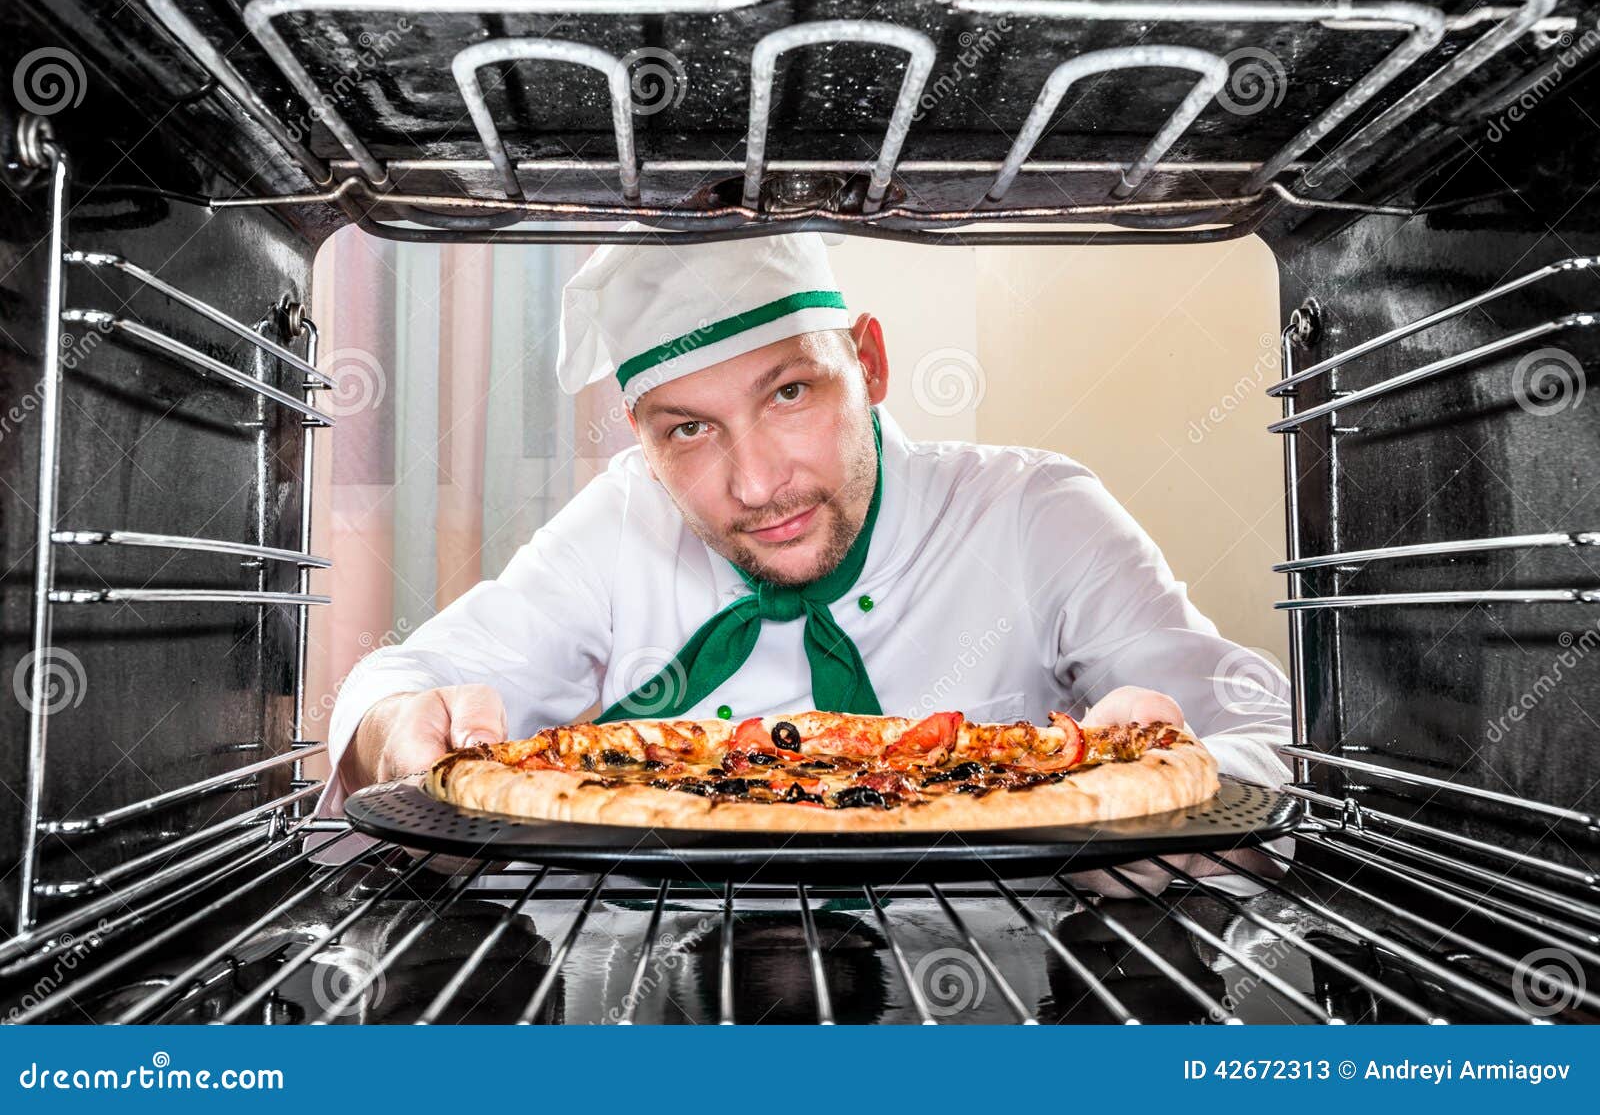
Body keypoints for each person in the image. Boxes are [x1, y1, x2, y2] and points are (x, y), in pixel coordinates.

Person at [321, 229, 1292, 896]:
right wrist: (398, 729)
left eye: (789, 392)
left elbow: (1264, 731)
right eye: (689, 429)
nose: (754, 484)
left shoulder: (1033, 514)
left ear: (867, 361)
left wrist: (1164, 784)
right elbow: (401, 688)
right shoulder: (624, 519)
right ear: (639, 437)